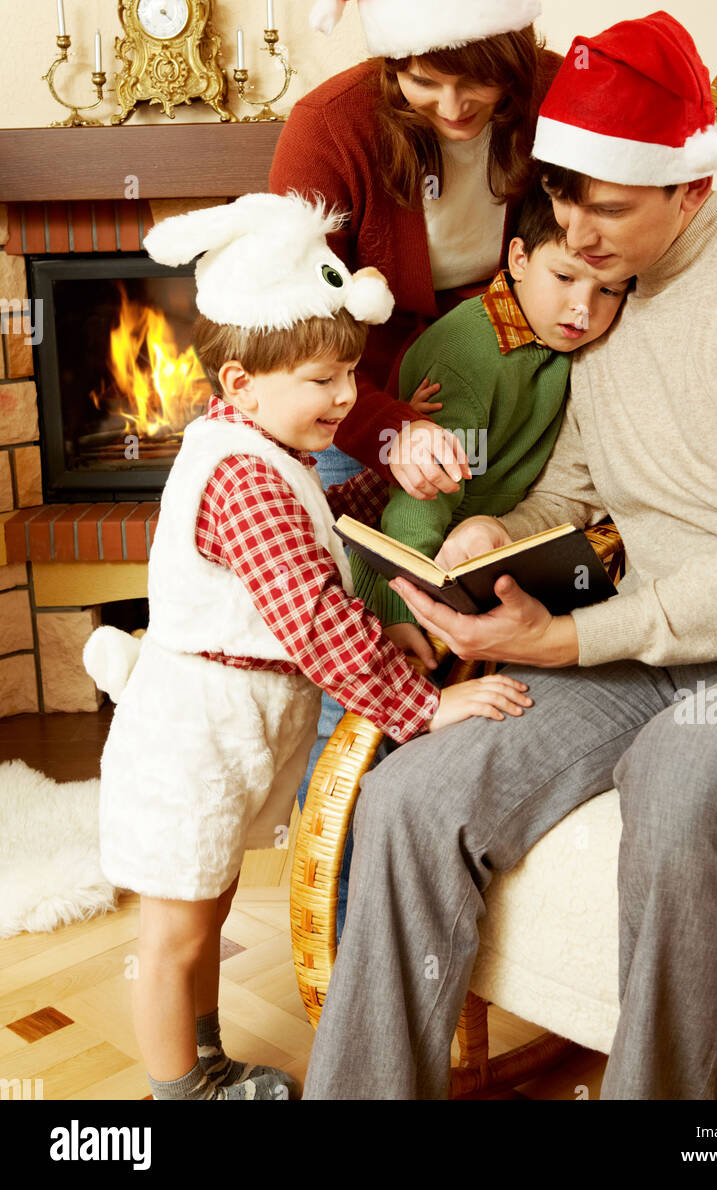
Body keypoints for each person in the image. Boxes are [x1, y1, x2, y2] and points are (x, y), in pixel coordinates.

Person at [300, 11, 717, 1100]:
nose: (579, 231)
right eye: (562, 198)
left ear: (689, 189)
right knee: (413, 794)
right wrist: (495, 537)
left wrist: (563, 636)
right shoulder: (604, 292)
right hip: (647, 623)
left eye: (606, 206)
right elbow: (580, 482)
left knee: (683, 773)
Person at [81, 192, 533, 1103]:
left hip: (228, 733)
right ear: (242, 382)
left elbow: (317, 531)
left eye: (351, 375)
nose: (345, 398)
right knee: (174, 934)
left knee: (206, 912)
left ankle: (204, 1063)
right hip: (195, 739)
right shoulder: (242, 476)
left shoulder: (262, 446)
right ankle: (180, 1093)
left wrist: (401, 539)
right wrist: (425, 705)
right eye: (323, 381)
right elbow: (317, 620)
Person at [270, 0, 717, 503]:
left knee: (504, 561)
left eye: (478, 83)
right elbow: (297, 316)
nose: (453, 109)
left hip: (531, 388)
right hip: (365, 404)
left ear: (515, 58)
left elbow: (643, 192)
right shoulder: (328, 129)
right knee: (368, 571)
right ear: (391, 63)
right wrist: (389, 429)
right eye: (424, 82)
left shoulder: (557, 92)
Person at [352, 176, 632, 666]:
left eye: (608, 289)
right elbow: (423, 497)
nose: (583, 308)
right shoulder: (468, 360)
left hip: (488, 560)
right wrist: (399, 610)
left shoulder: (557, 334)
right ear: (519, 259)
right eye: (564, 278)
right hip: (413, 568)